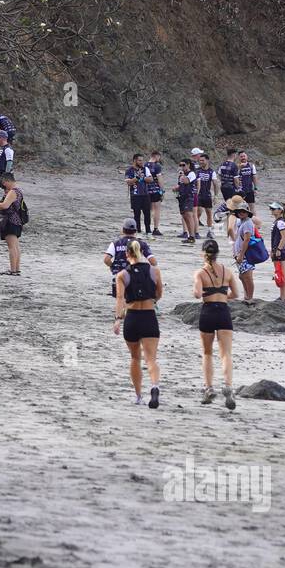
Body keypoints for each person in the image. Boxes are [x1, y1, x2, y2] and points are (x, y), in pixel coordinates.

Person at [112, 240, 163, 407]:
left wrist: (118, 319)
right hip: (149, 316)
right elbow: (158, 294)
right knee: (151, 359)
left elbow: (120, 298)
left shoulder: (122, 275)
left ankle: (138, 395)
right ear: (141, 252)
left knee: (135, 358)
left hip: (132, 318)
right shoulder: (154, 271)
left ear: (127, 254)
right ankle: (154, 386)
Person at [193, 239, 238, 408]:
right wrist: (222, 295)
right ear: (217, 254)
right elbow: (236, 293)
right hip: (223, 312)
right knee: (226, 353)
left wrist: (204, 292)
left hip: (208, 311)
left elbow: (197, 294)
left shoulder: (200, 273)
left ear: (203, 254)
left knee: (207, 353)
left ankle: (209, 387)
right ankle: (227, 385)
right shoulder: (227, 271)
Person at [104, 218, 155, 295]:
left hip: (120, 278)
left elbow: (106, 259)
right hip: (137, 279)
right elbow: (153, 262)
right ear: (135, 231)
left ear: (123, 230)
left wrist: (113, 267)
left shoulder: (116, 243)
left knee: (121, 301)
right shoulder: (141, 244)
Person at [0, 171, 24, 275]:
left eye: (4, 182)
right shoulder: (19, 190)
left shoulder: (13, 192)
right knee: (16, 247)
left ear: (7, 180)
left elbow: (5, 205)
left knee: (11, 247)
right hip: (17, 221)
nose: (3, 185)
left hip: (10, 221)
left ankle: (13, 270)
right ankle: (16, 269)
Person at [229, 199, 256, 302]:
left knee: (247, 276)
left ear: (247, 213)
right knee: (242, 276)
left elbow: (247, 240)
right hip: (240, 253)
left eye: (243, 211)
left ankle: (250, 297)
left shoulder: (248, 223)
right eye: (239, 211)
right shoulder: (241, 222)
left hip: (246, 254)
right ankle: (247, 296)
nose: (241, 213)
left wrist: (241, 255)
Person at [268, 202, 285, 303]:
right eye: (271, 209)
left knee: (282, 275)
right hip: (278, 250)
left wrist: (278, 249)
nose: (272, 210)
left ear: (280, 210)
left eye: (273, 209)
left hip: (279, 251)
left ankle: (283, 297)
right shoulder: (278, 221)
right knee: (283, 274)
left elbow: (284, 237)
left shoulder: (280, 222)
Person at [124, 153, 152, 235]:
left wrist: (143, 177)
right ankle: (138, 230)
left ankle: (148, 230)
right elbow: (128, 182)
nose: (141, 162)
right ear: (134, 160)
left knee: (147, 213)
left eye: (142, 160)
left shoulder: (145, 169)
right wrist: (137, 178)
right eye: (139, 160)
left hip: (145, 194)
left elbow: (150, 179)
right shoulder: (129, 170)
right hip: (135, 195)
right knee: (137, 213)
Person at [193, 151, 215, 239]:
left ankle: (210, 231)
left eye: (202, 160)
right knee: (198, 213)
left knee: (209, 213)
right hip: (198, 195)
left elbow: (215, 183)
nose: (200, 162)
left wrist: (216, 195)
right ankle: (195, 232)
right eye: (200, 160)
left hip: (207, 195)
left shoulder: (211, 172)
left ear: (207, 160)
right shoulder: (197, 171)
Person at [176, 161, 198, 242]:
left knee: (189, 215)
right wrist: (176, 188)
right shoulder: (181, 175)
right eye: (180, 165)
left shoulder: (191, 173)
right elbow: (180, 184)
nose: (181, 166)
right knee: (185, 216)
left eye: (183, 165)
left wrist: (182, 175)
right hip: (182, 197)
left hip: (189, 197)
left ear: (188, 165)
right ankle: (189, 235)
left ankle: (192, 236)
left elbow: (186, 181)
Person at [145, 151, 164, 235]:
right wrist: (162, 190)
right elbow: (160, 179)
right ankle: (155, 228)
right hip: (155, 190)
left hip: (146, 190)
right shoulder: (157, 166)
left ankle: (147, 228)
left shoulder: (144, 165)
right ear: (156, 156)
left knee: (149, 210)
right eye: (159, 157)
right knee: (157, 210)